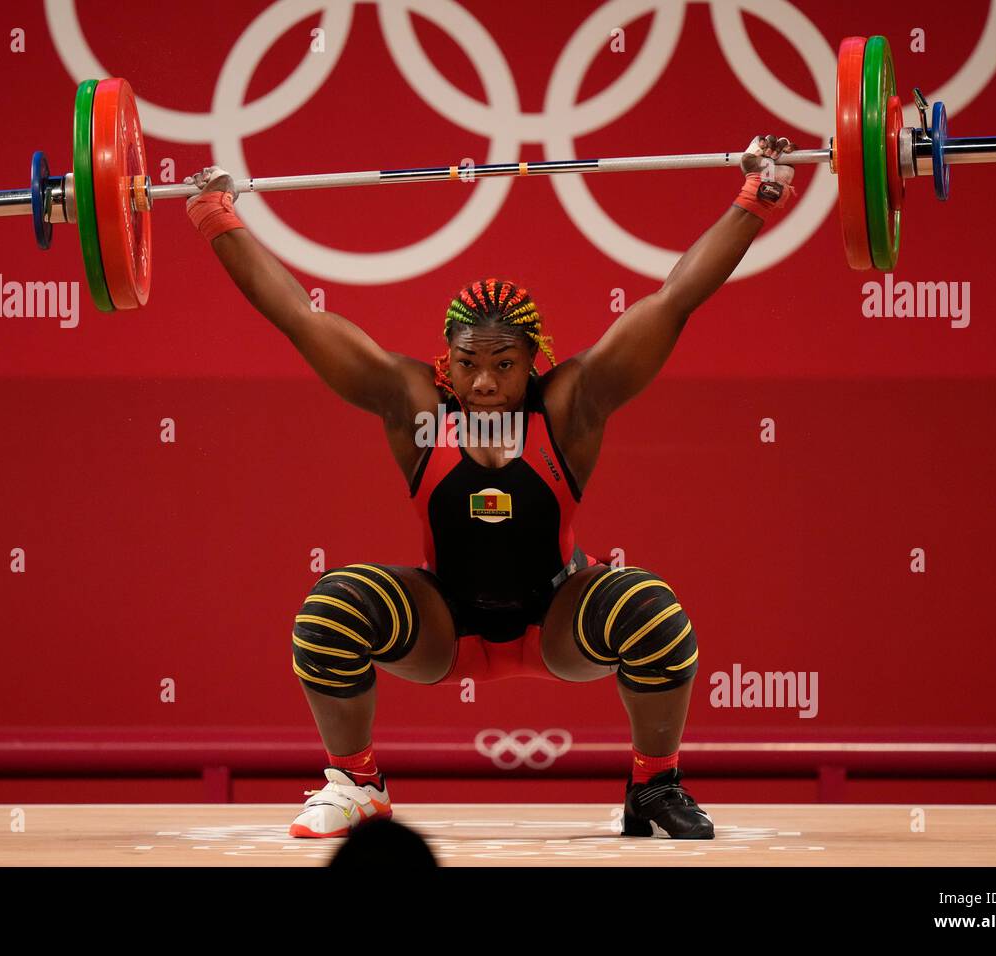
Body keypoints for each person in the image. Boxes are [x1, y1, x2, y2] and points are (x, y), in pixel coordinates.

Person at [184, 134, 796, 840]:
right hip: (444, 622)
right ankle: (357, 783)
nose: (482, 382)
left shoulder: (572, 405)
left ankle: (653, 786)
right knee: (333, 609)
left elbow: (674, 300)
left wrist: (756, 198)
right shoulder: (412, 404)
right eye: (469, 363)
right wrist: (214, 215)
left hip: (556, 618)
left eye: (503, 365)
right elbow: (299, 316)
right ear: (446, 359)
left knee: (649, 608)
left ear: (533, 361)